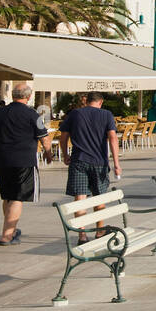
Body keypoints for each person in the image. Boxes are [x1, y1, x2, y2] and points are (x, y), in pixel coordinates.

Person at [0, 83, 51, 246]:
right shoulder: (34, 115)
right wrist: (48, 152)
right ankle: (7, 235)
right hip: (24, 161)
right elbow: (44, 137)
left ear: (14, 95)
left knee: (8, 197)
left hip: (2, 161)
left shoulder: (0, 113)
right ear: (28, 96)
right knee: (17, 197)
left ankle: (11, 229)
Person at [58, 92, 121, 244]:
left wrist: (66, 154)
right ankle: (99, 232)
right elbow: (112, 138)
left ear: (87, 101)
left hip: (78, 161)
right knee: (99, 197)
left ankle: (82, 235)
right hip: (99, 162)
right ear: (101, 102)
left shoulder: (75, 114)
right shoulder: (106, 115)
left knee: (80, 197)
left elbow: (63, 136)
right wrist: (116, 164)